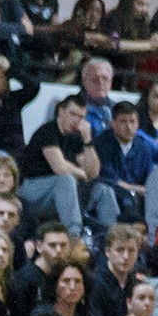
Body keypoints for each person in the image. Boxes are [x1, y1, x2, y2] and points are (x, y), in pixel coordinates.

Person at [18, 95, 119, 237]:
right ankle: (74, 236)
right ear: (61, 111)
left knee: (103, 190)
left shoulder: (75, 137)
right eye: (72, 114)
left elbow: (94, 172)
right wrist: (82, 173)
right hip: (31, 192)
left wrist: (87, 140)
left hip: (61, 195)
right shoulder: (47, 131)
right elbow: (59, 167)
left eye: (81, 117)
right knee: (66, 180)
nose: (76, 120)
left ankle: (112, 237)